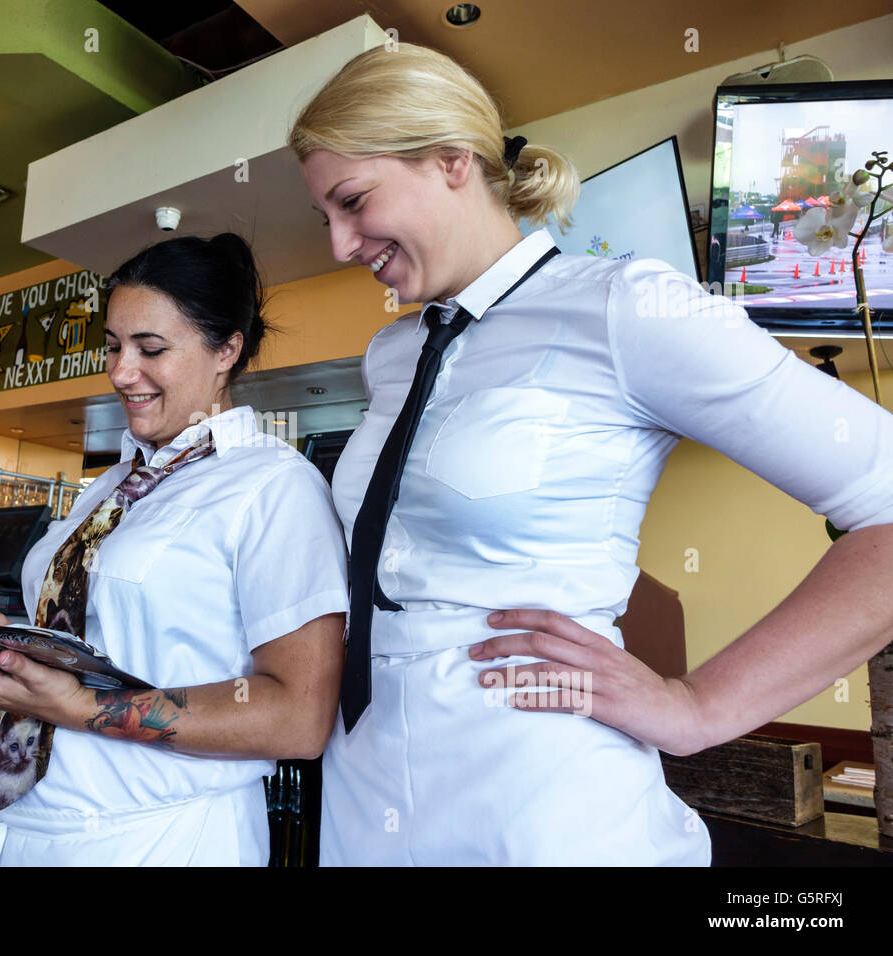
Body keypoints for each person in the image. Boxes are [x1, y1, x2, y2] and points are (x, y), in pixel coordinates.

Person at [290, 43, 893, 865]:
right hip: (365, 788)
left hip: (538, 799)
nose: (339, 243)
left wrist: (698, 707)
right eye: (324, 216)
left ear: (451, 161)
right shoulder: (392, 352)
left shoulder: (625, 307)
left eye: (353, 202)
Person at [0, 233, 349, 866]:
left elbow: (298, 716)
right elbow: (110, 641)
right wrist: (4, 640)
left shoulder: (274, 486)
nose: (121, 372)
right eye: (114, 346)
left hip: (163, 838)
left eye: (151, 349)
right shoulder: (115, 485)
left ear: (227, 348)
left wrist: (83, 707)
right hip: (37, 822)